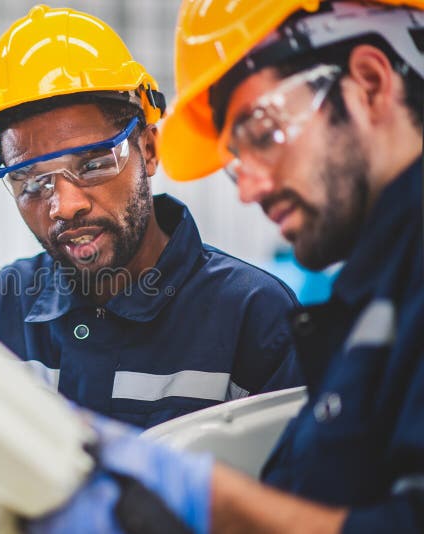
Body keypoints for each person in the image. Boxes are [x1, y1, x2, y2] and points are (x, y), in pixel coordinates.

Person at [27, 1, 424, 533]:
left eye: (262, 132)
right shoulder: (377, 298)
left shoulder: (265, 309)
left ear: (371, 83)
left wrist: (211, 503)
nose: (251, 189)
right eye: (238, 159)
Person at [0, 5, 301, 429]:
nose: (65, 205)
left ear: (150, 149)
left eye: (92, 164)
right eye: (31, 181)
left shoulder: (251, 317)